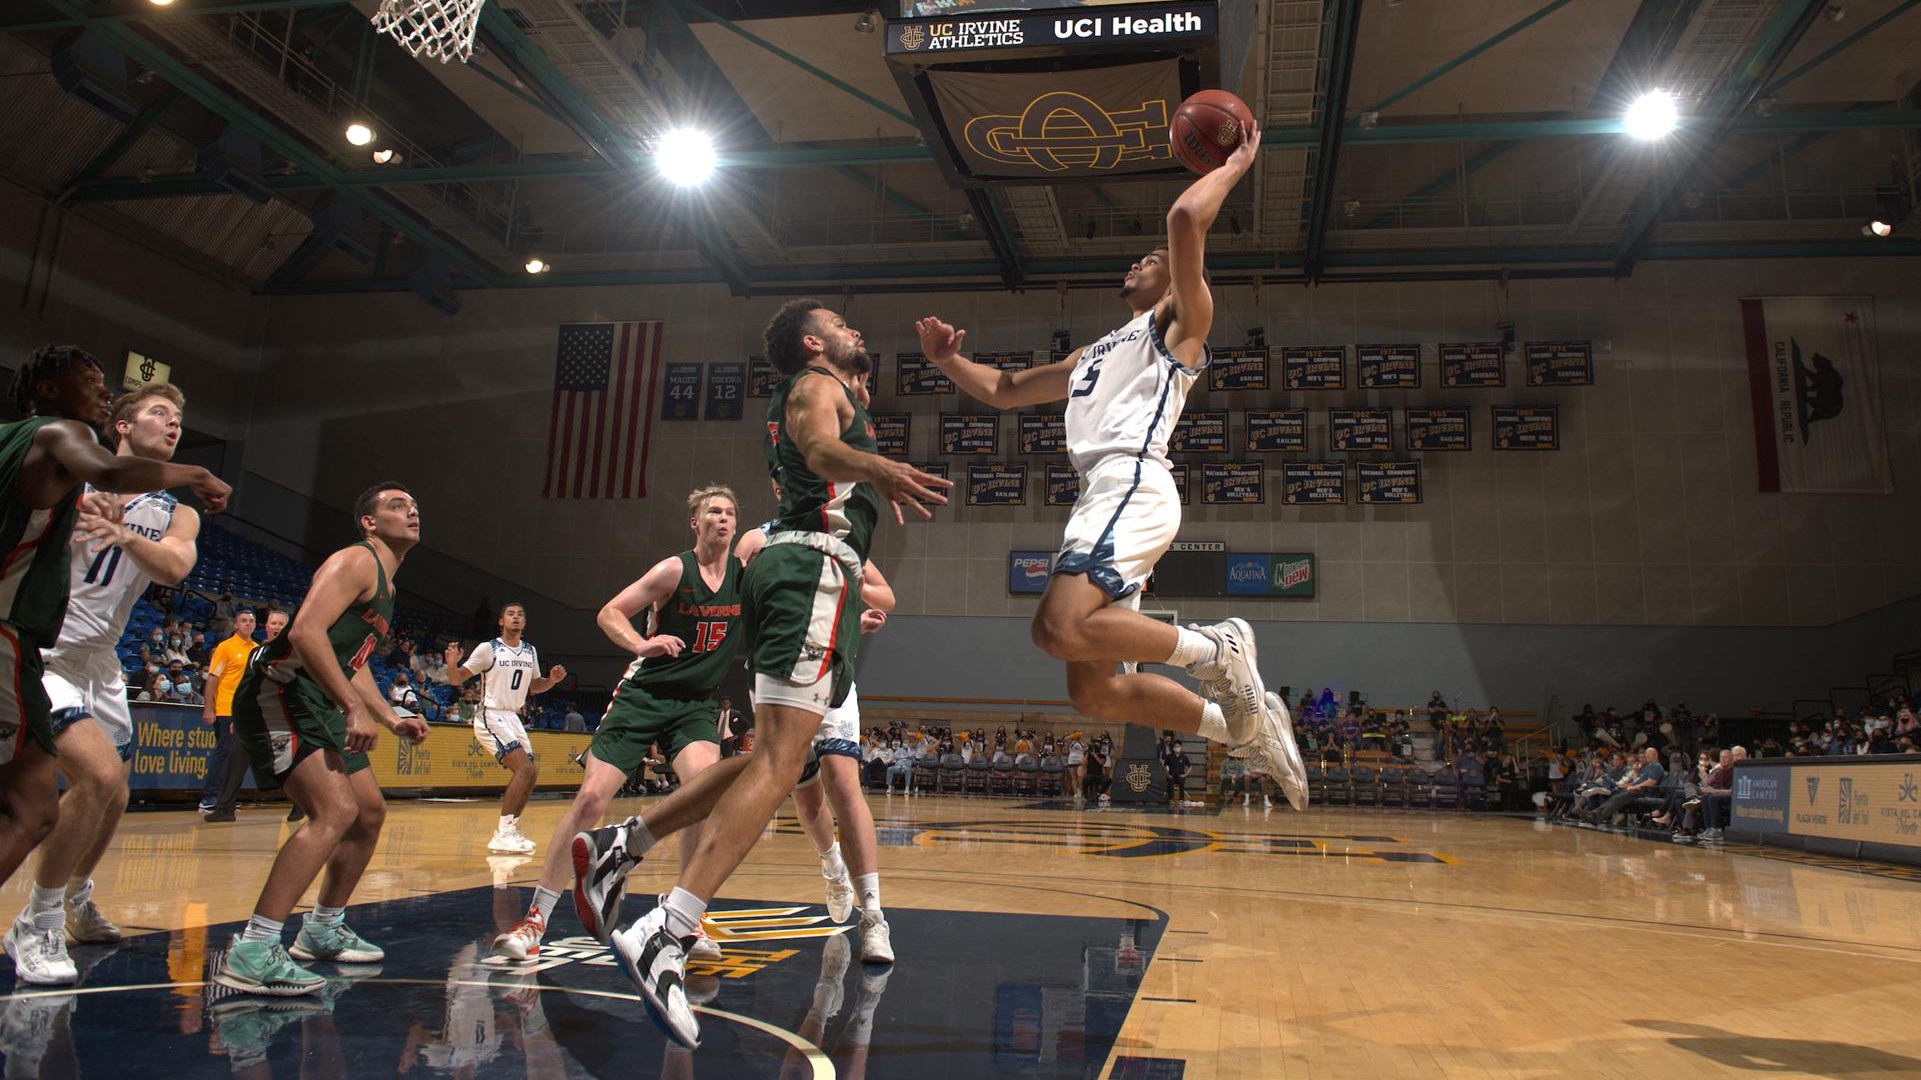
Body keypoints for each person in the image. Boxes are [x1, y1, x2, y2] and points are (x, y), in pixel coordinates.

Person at [571, 299, 950, 1048]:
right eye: (841, 323)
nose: (857, 330)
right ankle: (665, 931)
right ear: (813, 343)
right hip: (810, 571)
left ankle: (625, 847)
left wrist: (865, 429)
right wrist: (880, 465)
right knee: (780, 766)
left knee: (771, 759)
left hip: (807, 576)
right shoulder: (815, 386)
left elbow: (829, 440)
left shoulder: (834, 388)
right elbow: (816, 447)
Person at [910, 126, 1305, 812]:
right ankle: (1240, 731)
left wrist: (1239, 160)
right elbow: (1005, 389)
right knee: (1093, 691)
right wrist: (947, 361)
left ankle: (1218, 649)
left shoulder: (1180, 324)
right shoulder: (1094, 351)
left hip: (1132, 481)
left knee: (1054, 629)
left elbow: (1184, 218)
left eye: (1153, 259)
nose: (1142, 260)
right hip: (1100, 494)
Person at [0, 348, 228, 914]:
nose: (173, 424)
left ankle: (75, 895)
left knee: (115, 793)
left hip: (100, 662)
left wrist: (126, 536)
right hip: (44, 652)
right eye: (159, 413)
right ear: (121, 426)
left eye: (178, 421)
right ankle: (39, 917)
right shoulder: (68, 474)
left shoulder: (177, 512)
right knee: (97, 778)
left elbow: (174, 567)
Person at [489, 486, 746, 964]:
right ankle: (535, 920)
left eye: (731, 512)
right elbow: (609, 612)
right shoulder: (673, 570)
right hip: (644, 695)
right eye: (714, 511)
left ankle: (684, 920)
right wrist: (639, 644)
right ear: (696, 522)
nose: (724, 519)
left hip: (694, 705)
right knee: (589, 800)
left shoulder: (743, 576)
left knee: (703, 801)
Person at [213, 483, 430, 996]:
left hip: (316, 698)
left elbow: (350, 662)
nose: (411, 509)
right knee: (334, 811)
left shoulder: (389, 588)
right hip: (281, 690)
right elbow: (307, 632)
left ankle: (322, 929)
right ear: (369, 523)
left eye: (413, 504)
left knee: (369, 811)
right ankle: (254, 948)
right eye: (397, 505)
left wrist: (387, 713)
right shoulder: (356, 561)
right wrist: (354, 709)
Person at [445, 603, 568, 856]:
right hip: (491, 714)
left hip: (513, 717)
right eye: (510, 614)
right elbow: (457, 679)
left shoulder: (529, 651)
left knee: (531, 773)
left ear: (524, 623)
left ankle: (510, 829)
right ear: (501, 621)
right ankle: (502, 834)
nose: (516, 618)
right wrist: (451, 664)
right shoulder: (489, 649)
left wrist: (552, 681)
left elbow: (535, 687)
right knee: (523, 769)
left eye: (520, 615)